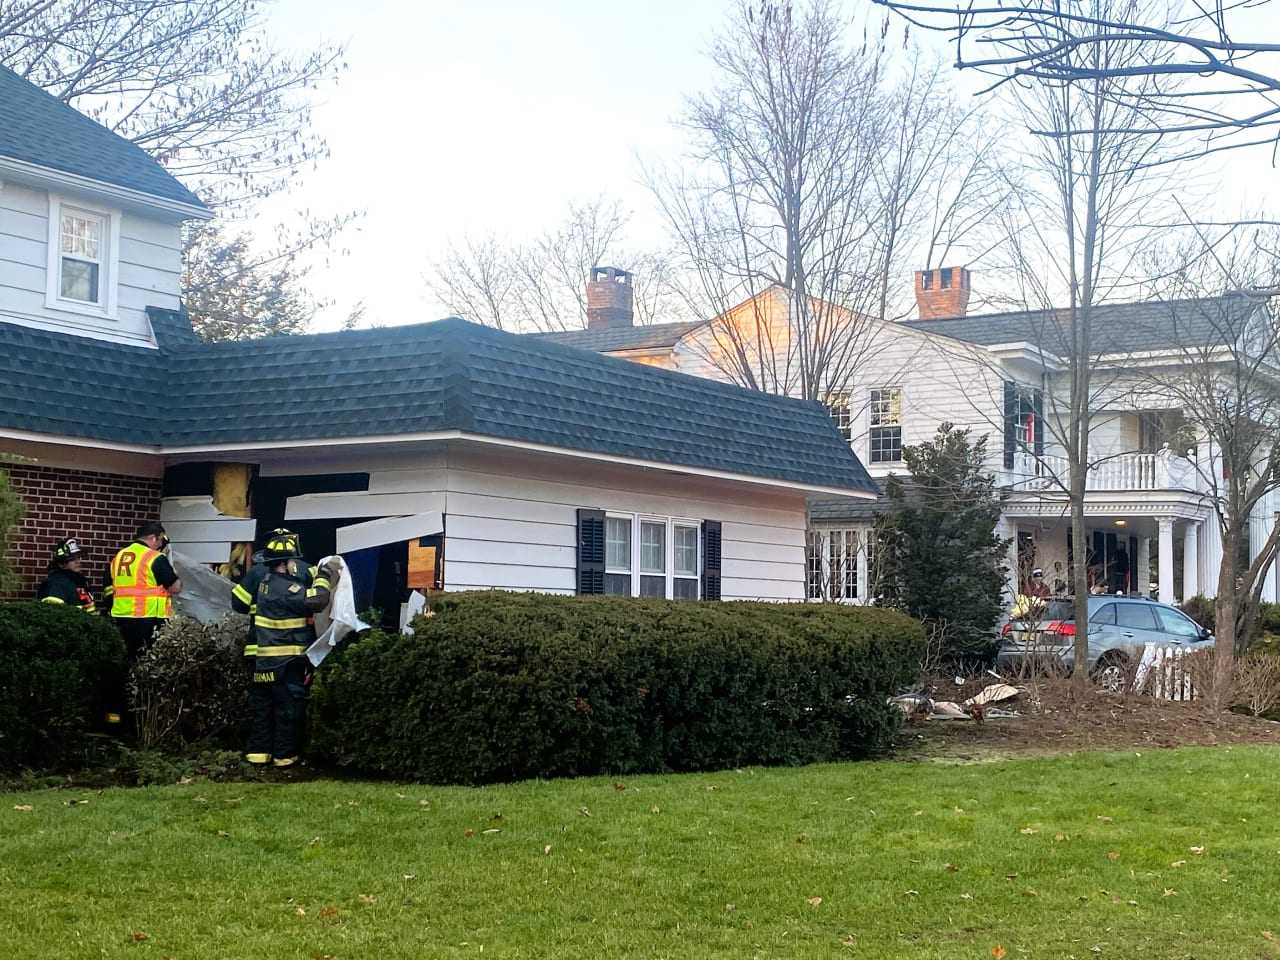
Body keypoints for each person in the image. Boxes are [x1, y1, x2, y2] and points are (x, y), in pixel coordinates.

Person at [245, 532, 339, 768]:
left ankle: (258, 755)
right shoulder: (286, 588)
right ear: (285, 563)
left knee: (262, 711)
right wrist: (322, 576)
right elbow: (318, 600)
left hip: (264, 662)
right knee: (288, 711)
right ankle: (284, 757)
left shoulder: (265, 585)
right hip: (285, 662)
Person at [231, 528, 320, 659]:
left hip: (260, 648)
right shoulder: (309, 570)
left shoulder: (256, 572)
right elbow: (318, 603)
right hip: (297, 648)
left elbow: (238, 605)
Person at [105, 521, 182, 661]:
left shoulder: (119, 556)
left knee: (127, 657)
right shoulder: (155, 558)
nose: (160, 545)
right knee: (146, 660)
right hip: (147, 618)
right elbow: (175, 587)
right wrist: (174, 574)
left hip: (121, 617)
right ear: (153, 538)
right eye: (160, 541)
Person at [37, 537, 96, 613]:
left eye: (78, 557)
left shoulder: (79, 581)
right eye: (72, 559)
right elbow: (54, 613)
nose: (77, 561)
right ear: (61, 564)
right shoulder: (56, 583)